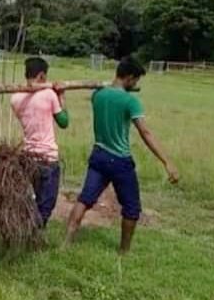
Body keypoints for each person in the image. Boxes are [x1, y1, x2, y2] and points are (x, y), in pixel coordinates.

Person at [65, 56, 179, 253]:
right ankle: (124, 252)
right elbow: (146, 133)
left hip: (98, 155)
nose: (135, 84)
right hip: (120, 161)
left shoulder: (98, 95)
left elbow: (107, 92)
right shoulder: (130, 101)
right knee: (132, 208)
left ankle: (66, 243)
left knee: (84, 200)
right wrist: (166, 161)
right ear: (129, 77)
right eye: (135, 80)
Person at [10, 57, 69, 226]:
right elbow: (64, 122)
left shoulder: (15, 98)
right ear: (42, 76)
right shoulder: (49, 94)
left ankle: (27, 230)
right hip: (48, 157)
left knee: (30, 199)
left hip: (28, 156)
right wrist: (62, 97)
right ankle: (33, 236)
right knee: (45, 205)